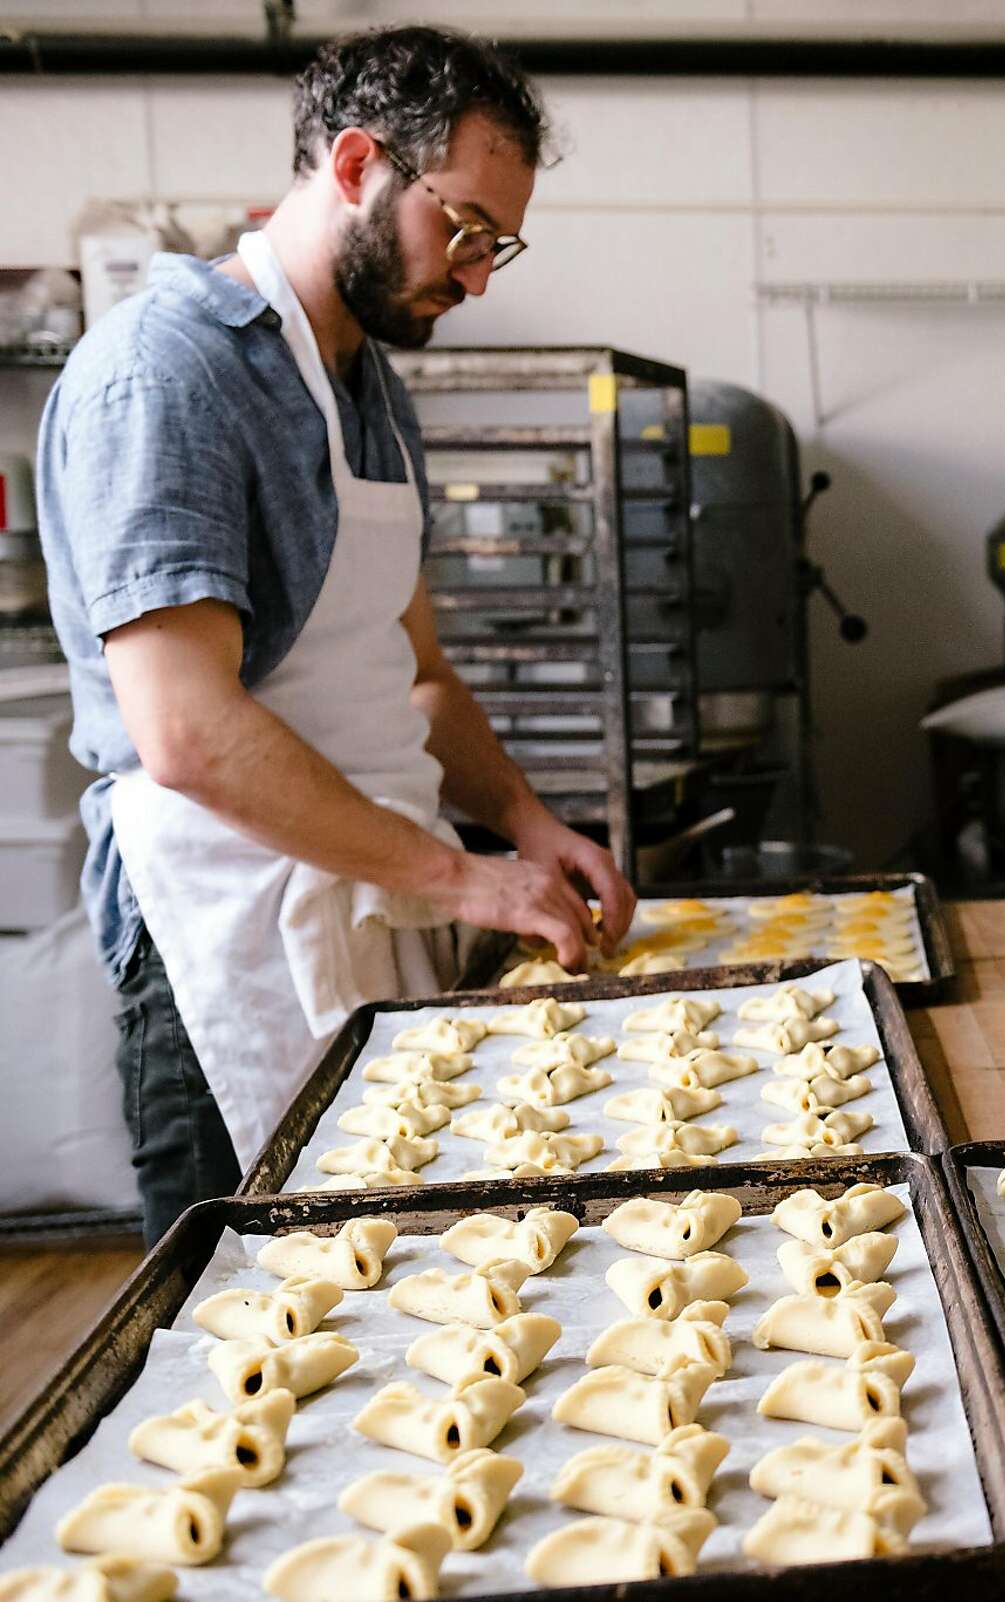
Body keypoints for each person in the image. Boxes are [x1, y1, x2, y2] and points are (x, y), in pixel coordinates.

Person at [37, 25, 634, 1242]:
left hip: (374, 899)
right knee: (245, 1335)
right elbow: (188, 733)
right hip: (225, 939)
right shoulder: (169, 374)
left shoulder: (367, 384)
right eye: (464, 229)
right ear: (359, 164)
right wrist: (465, 876)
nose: (476, 278)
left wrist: (524, 823)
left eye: (497, 246)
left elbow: (411, 674)